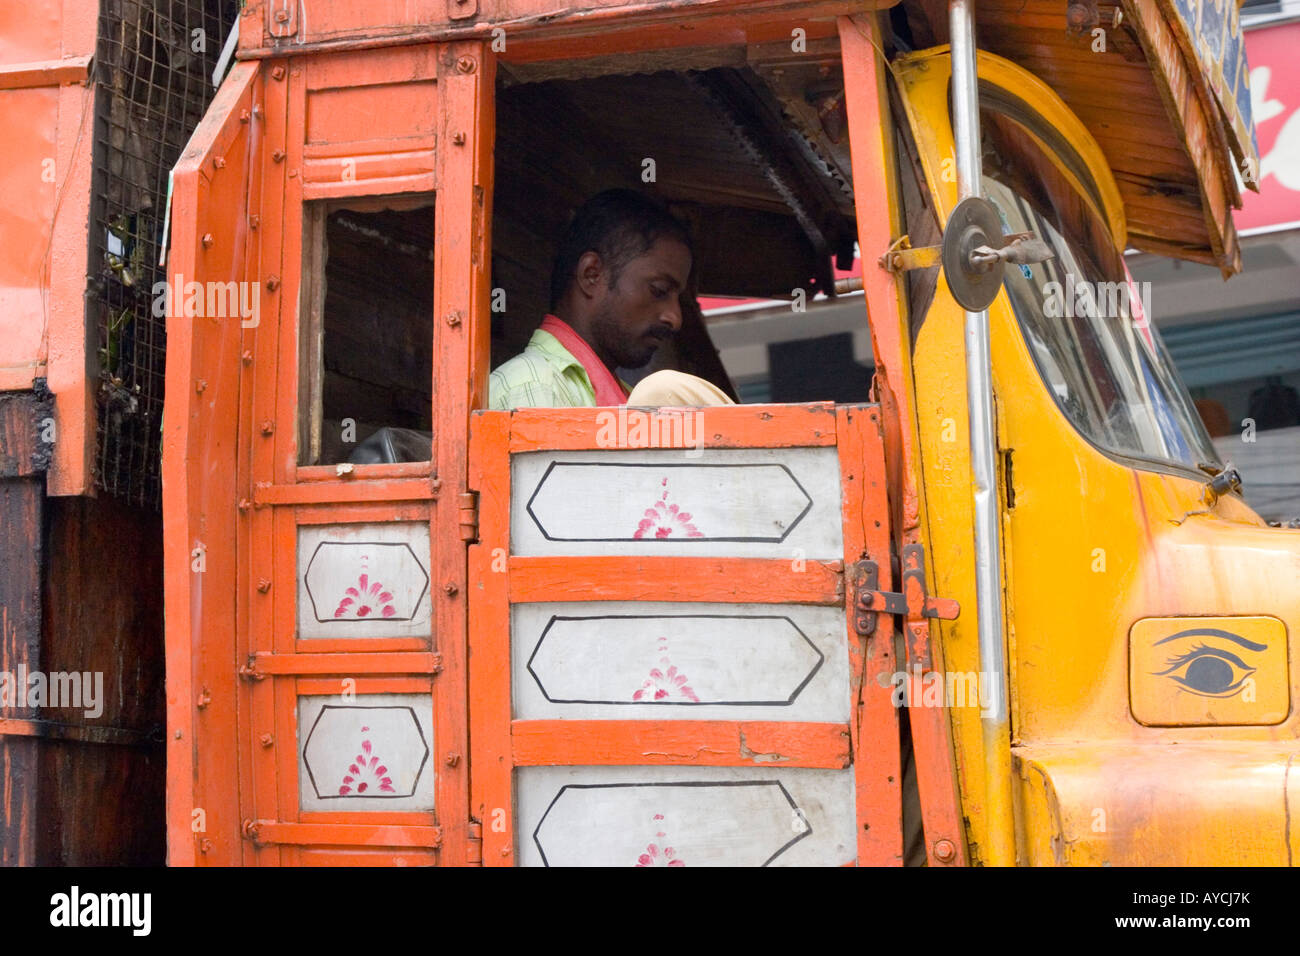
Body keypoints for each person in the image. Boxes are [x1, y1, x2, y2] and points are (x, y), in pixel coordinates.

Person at [489, 188, 732, 410]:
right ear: (591, 275)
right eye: (659, 290)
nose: (675, 318)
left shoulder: (627, 397)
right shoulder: (534, 387)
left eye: (677, 298)